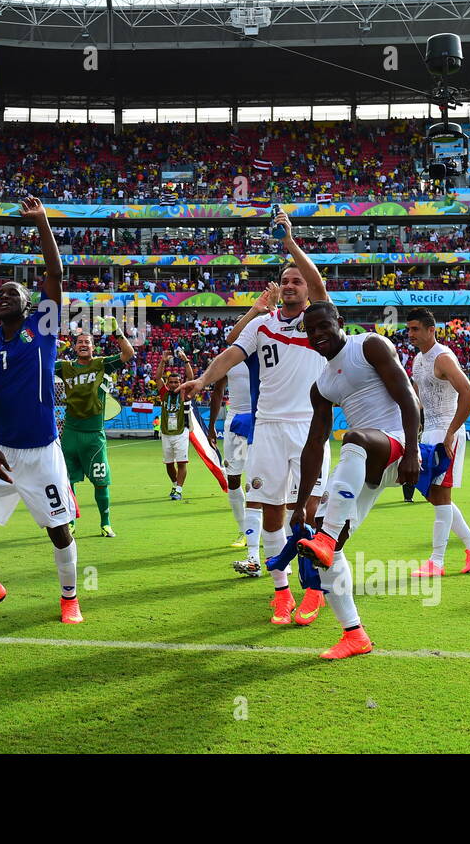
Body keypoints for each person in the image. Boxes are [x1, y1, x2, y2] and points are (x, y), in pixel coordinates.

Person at [180, 209, 332, 627]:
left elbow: (318, 283)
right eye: (284, 280)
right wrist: (203, 380)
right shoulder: (263, 324)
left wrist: (289, 243)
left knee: (311, 515)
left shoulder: (317, 320)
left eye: (295, 280)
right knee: (269, 513)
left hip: (308, 429)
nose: (289, 285)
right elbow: (231, 353)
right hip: (266, 428)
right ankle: (281, 592)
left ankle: (314, 590)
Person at [0, 196, 85, 625]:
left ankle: (69, 598)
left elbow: (56, 273)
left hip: (41, 450)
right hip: (1, 450)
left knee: (57, 529)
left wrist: (42, 222)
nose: (3, 296)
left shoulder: (42, 327)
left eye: (13, 293)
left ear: (30, 304)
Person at [292, 303, 421, 660]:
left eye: (323, 327)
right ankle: (354, 634)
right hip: (363, 464)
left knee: (353, 437)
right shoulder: (322, 385)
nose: (317, 334)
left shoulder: (369, 346)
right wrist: (303, 502)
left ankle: (326, 536)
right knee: (328, 552)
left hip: (395, 444)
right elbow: (314, 444)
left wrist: (413, 450)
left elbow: (408, 396)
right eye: (310, 330)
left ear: (340, 323)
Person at [405, 309, 470, 577]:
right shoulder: (418, 360)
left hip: (444, 432)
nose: (411, 335)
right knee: (432, 494)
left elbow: (469, 393)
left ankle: (437, 561)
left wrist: (451, 431)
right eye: (409, 329)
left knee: (441, 497)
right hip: (429, 432)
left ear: (432, 330)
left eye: (416, 329)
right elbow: (417, 399)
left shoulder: (443, 357)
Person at [210, 291, 275, 564]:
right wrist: (212, 424)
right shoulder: (232, 356)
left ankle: (263, 536)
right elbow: (216, 391)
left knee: (259, 481)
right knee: (233, 479)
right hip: (235, 418)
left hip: (262, 417)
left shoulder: (266, 351)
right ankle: (243, 529)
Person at [55, 317, 135, 537]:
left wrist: (117, 331)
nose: (83, 345)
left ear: (93, 347)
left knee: (101, 482)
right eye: (79, 342)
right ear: (74, 346)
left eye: (87, 342)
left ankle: (105, 522)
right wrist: (54, 349)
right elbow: (38, 366)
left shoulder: (102, 363)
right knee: (68, 482)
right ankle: (70, 521)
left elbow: (129, 354)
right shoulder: (65, 367)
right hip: (70, 434)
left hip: (94, 436)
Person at [155, 350, 195, 500]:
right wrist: (163, 361)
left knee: (182, 462)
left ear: (180, 383)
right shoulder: (164, 393)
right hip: (166, 432)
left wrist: (185, 360)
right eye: (170, 382)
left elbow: (191, 378)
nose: (173, 385)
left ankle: (179, 489)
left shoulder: (183, 392)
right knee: (169, 464)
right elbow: (158, 377)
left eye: (176, 382)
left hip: (181, 432)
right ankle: (174, 484)